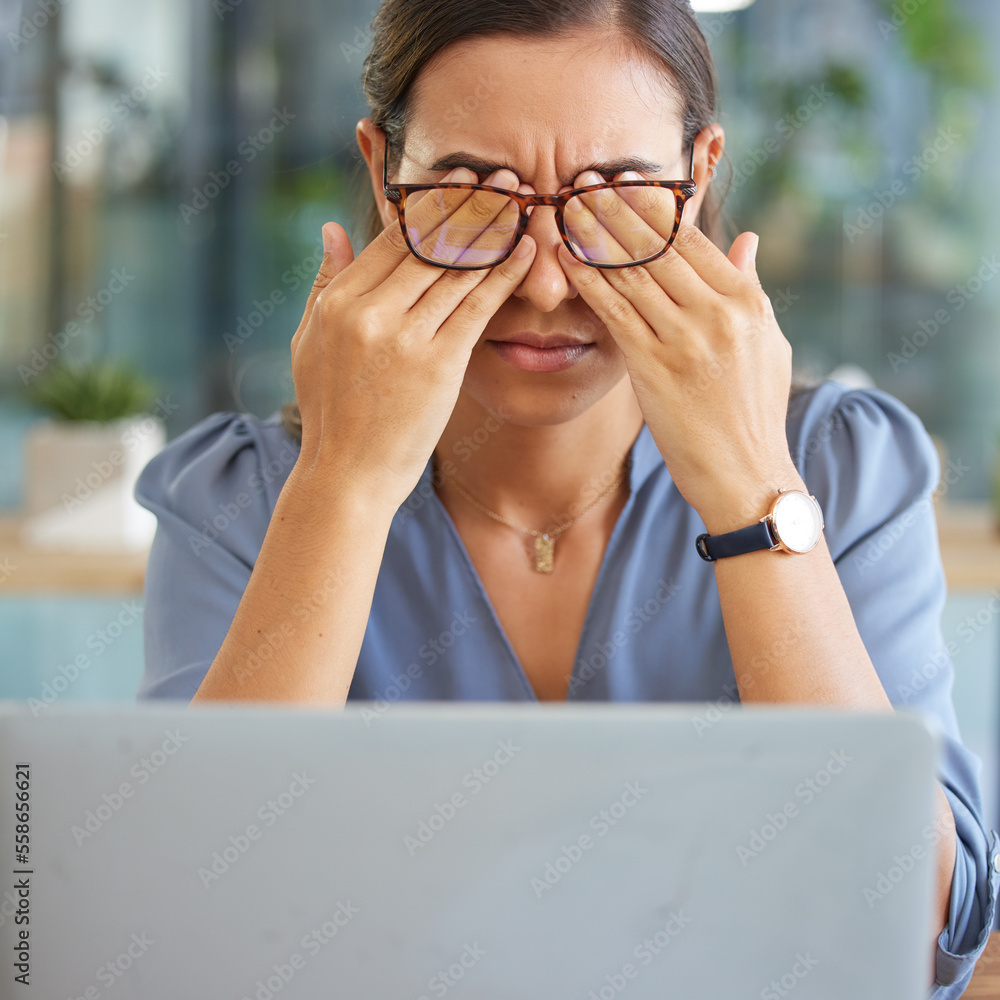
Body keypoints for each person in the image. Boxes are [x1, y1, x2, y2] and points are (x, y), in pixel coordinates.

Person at [133, 0, 998, 993]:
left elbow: (920, 934)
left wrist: (747, 483)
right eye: (471, 194)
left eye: (614, 198)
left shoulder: (841, 471)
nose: (544, 283)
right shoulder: (242, 503)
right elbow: (183, 931)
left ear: (699, 174)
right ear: (383, 173)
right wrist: (346, 481)